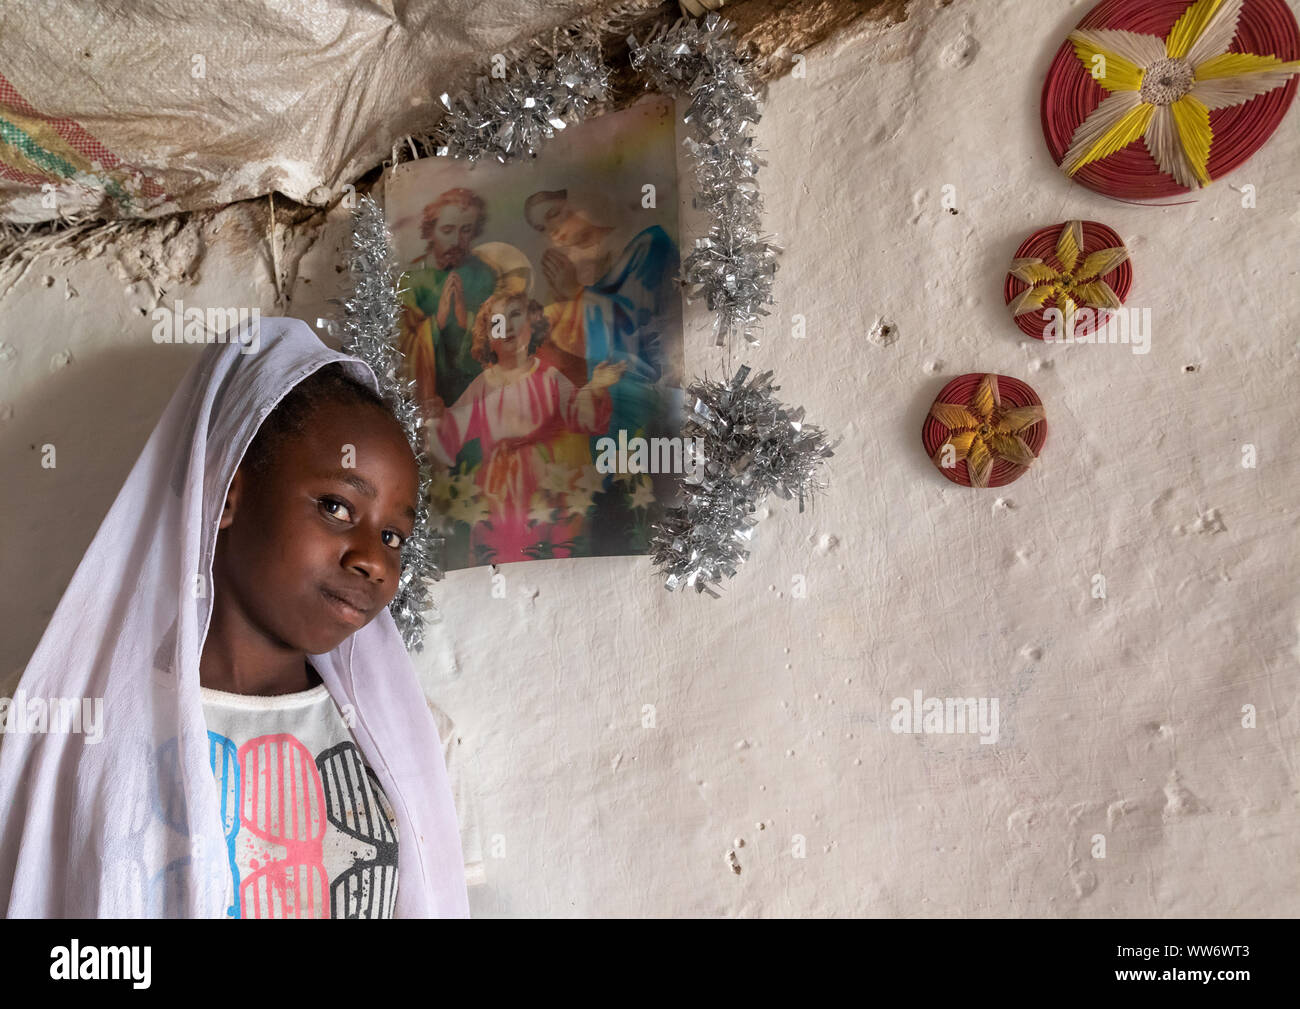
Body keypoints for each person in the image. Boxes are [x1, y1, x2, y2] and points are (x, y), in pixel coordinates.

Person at [0, 316, 472, 918]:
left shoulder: (405, 748)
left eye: (394, 536)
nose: (374, 561)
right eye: (336, 506)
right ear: (225, 494)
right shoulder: (62, 725)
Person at [427, 277, 627, 564]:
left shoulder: (549, 377)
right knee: (500, 554)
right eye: (497, 320)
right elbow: (450, 429)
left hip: (546, 484)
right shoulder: (483, 385)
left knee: (548, 551)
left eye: (515, 315)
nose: (507, 325)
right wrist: (433, 419)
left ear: (532, 324)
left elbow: (579, 415)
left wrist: (595, 387)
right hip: (496, 491)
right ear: (487, 334)